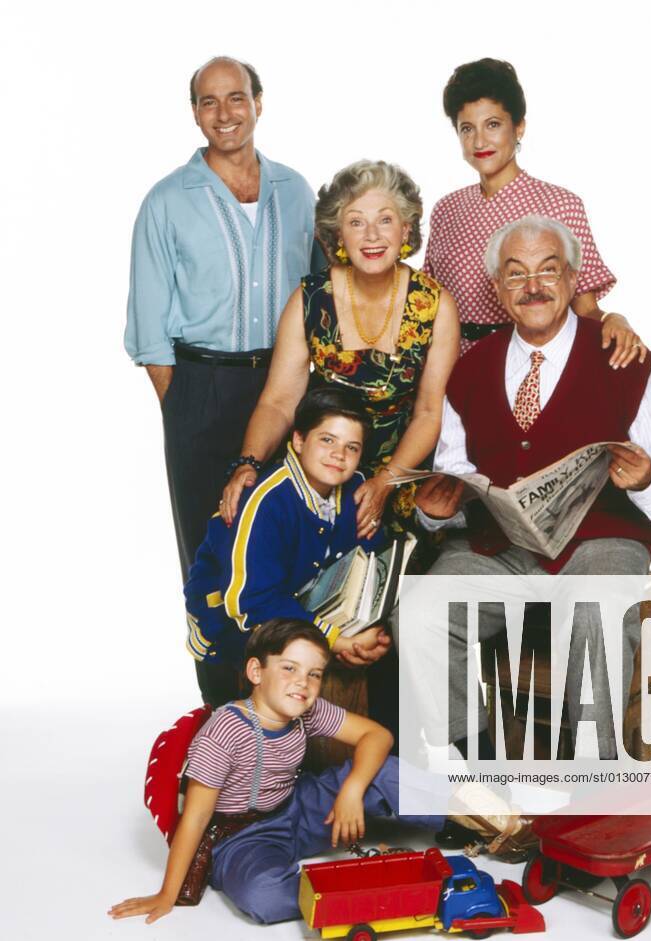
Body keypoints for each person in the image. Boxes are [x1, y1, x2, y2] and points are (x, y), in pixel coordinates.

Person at [405, 215, 651, 760]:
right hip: (504, 549)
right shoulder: (471, 370)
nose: (533, 287)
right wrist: (436, 512)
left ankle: (596, 779)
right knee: (421, 610)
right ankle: (480, 768)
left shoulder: (621, 356)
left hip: (601, 543)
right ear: (497, 289)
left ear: (570, 278)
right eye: (515, 275)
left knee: (595, 609)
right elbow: (453, 468)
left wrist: (648, 477)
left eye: (548, 270)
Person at [124, 56, 324, 588]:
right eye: (208, 101)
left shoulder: (298, 191)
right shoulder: (166, 202)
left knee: (290, 545)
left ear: (258, 103)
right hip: (201, 386)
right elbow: (148, 332)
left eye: (235, 97)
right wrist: (186, 406)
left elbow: (324, 298)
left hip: (287, 385)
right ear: (194, 114)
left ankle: (285, 669)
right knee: (211, 547)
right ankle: (219, 674)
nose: (224, 112)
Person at [108, 618, 444, 925]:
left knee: (384, 771)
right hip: (243, 836)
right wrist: (167, 894)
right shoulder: (223, 732)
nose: (303, 683)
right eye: (289, 668)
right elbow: (195, 817)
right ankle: (364, 886)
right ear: (256, 672)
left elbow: (378, 736)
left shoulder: (304, 709)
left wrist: (352, 791)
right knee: (263, 896)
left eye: (314, 674)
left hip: (296, 807)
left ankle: (476, 820)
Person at [219, 160, 460, 539]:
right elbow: (279, 401)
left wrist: (384, 483)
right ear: (338, 235)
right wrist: (248, 462)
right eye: (356, 222)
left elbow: (430, 413)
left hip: (398, 468)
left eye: (385, 219)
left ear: (406, 228)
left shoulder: (436, 305)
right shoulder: (310, 298)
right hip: (318, 464)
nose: (371, 235)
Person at [424, 58, 645, 363]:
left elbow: (585, 309)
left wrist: (614, 319)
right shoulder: (447, 210)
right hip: (454, 366)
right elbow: (429, 306)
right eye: (466, 129)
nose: (479, 141)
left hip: (532, 364)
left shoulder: (561, 205)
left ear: (519, 127)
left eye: (493, 124)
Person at [185, 386, 392, 707]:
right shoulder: (267, 502)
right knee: (277, 691)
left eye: (352, 447)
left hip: (297, 600)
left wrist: (371, 634)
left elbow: (370, 561)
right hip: (235, 621)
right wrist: (336, 639)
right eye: (327, 440)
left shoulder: (355, 489)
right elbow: (251, 603)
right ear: (298, 441)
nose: (339, 454)